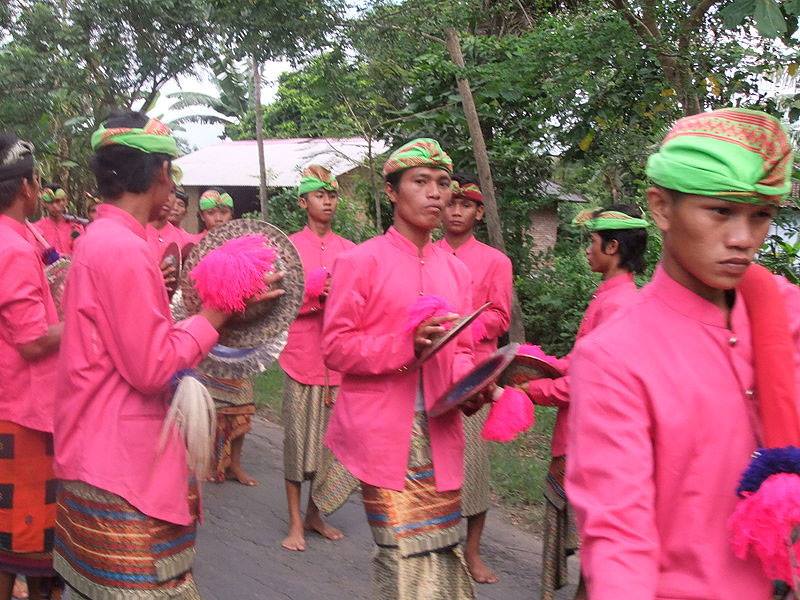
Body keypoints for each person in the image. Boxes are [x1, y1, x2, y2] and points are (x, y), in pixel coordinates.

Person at [566, 108, 800, 600]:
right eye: (720, 211)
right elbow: (620, 540)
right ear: (662, 208)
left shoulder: (785, 313)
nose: (743, 239)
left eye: (760, 216)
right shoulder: (614, 356)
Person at [52, 111, 283, 599]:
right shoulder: (123, 249)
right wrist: (217, 314)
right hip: (122, 467)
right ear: (160, 173)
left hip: (97, 451)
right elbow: (153, 367)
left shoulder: (102, 240)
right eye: (172, 173)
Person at [322, 138, 481, 599]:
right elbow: (336, 348)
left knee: (442, 550)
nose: (435, 193)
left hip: (441, 430)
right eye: (421, 182)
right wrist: (403, 346)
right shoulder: (360, 261)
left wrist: (475, 385)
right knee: (399, 554)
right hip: (382, 433)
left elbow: (463, 350)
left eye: (443, 183)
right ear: (392, 192)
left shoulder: (457, 272)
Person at [524, 204, 648, 600]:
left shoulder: (618, 305)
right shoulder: (612, 296)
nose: (587, 250)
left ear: (612, 247)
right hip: (588, 435)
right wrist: (540, 367)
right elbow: (581, 362)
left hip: (594, 442)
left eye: (592, 242)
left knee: (598, 551)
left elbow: (587, 384)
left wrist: (529, 391)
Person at [435, 173, 512, 585]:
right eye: (451, 203)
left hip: (476, 376)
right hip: (431, 371)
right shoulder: (427, 253)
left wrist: (460, 326)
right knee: (431, 462)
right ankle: (436, 543)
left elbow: (500, 317)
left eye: (465, 205)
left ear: (478, 213)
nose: (456, 211)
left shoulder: (495, 261)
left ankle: (473, 550)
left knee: (475, 466)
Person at [279, 165, 355, 551]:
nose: (327, 202)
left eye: (332, 195)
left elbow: (361, 304)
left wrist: (340, 298)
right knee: (297, 443)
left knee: (329, 447)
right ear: (302, 202)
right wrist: (313, 298)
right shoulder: (288, 248)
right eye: (319, 195)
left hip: (338, 363)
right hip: (299, 358)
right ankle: (294, 521)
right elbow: (278, 304)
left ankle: (315, 513)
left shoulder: (351, 251)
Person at [0, 134, 62, 600]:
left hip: (12, 403)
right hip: (22, 415)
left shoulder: (19, 239)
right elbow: (34, 341)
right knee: (22, 547)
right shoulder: (14, 248)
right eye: (37, 181)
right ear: (27, 187)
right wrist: (88, 317)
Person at [145, 183, 196, 257]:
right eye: (160, 189)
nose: (167, 197)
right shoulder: (135, 232)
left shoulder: (184, 240)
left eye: (171, 191)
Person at [36, 185, 83, 255]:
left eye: (57, 201)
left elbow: (83, 253)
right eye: (50, 202)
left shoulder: (76, 227)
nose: (54, 206)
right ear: (44, 203)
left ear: (65, 201)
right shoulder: (36, 229)